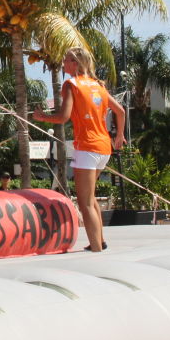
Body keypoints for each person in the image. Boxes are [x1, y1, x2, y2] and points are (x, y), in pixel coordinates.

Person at [32, 46, 126, 253]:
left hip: (87, 147)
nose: (63, 63)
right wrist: (119, 135)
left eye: (66, 60)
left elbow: (63, 117)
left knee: (85, 203)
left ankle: (96, 248)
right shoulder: (97, 85)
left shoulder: (71, 84)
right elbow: (120, 111)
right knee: (91, 198)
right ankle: (99, 241)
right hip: (104, 147)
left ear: (75, 63)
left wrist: (43, 118)